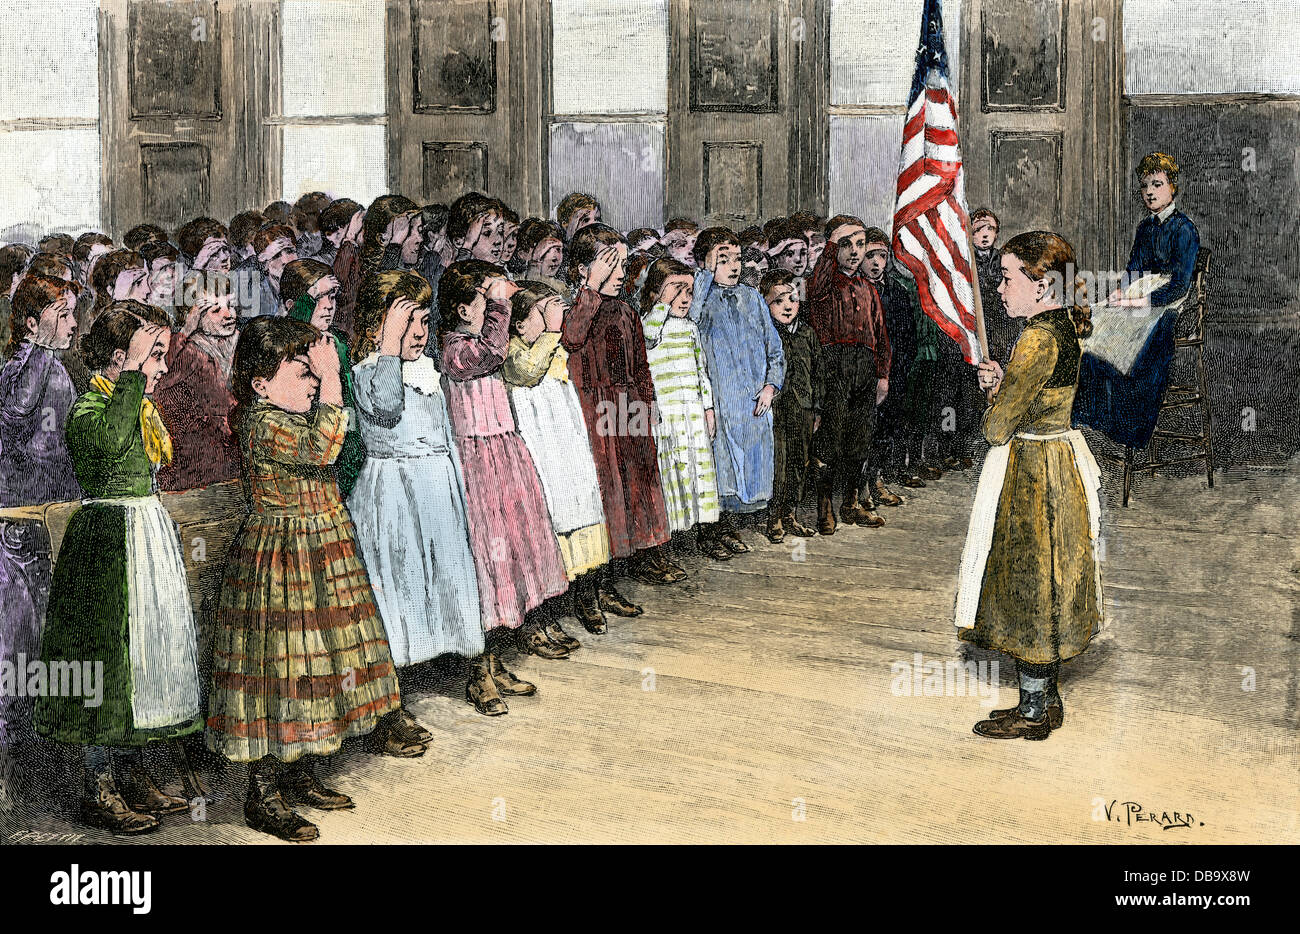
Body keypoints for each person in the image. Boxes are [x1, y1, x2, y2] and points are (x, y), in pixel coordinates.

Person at [207, 315, 416, 844]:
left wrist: (324, 389)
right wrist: (335, 384)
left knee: (325, 662)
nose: (314, 380)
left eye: (314, 371)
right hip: (281, 562)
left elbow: (333, 447)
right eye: (301, 371)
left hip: (324, 548)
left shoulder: (296, 415)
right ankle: (265, 792)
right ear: (259, 384)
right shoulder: (260, 421)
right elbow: (323, 449)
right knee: (283, 668)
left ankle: (302, 772)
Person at [34, 301, 202, 835]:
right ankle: (98, 786)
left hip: (145, 536)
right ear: (117, 359)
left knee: (147, 657)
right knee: (109, 666)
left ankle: (133, 775)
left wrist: (135, 380)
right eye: (151, 357)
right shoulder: (89, 410)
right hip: (105, 545)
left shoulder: (139, 410)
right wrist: (132, 377)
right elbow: (106, 445)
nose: (161, 368)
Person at [958, 231, 1102, 740]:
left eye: (1007, 277)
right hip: (1057, 457)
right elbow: (1036, 394)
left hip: (1032, 470)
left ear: (1041, 286)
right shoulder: (1063, 325)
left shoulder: (1036, 337)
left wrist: (992, 393)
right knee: (1050, 580)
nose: (998, 289)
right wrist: (1006, 382)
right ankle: (1044, 699)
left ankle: (1035, 710)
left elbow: (999, 427)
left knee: (1030, 585)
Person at [347, 271, 491, 715]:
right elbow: (387, 409)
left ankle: (474, 666)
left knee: (449, 572)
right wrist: (389, 346)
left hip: (435, 484)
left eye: (424, 321)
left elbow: (444, 432)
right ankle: (394, 692)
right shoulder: (369, 372)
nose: (420, 333)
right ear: (378, 327)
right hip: (392, 491)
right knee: (401, 579)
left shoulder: (428, 370)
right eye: (407, 323)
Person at [438, 260, 572, 693]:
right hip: (476, 461)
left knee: (518, 547)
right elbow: (490, 354)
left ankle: (499, 658)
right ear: (462, 310)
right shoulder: (452, 348)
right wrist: (499, 303)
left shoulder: (479, 339)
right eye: (484, 304)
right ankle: (480, 673)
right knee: (488, 561)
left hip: (504, 449)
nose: (497, 311)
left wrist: (497, 303)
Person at [562, 225, 677, 599]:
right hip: (596, 407)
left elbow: (641, 365)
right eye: (608, 266)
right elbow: (573, 338)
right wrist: (591, 288)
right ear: (583, 269)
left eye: (622, 266)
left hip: (629, 403)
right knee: (609, 484)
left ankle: (646, 552)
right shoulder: (577, 305)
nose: (619, 275)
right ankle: (606, 573)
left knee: (642, 476)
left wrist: (649, 402)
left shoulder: (627, 311)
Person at [0, 276, 83, 750]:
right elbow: (15, 413)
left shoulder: (57, 370)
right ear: (32, 323)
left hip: (54, 516)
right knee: (18, 642)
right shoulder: (18, 370)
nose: (73, 323)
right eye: (62, 314)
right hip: (19, 523)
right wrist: (41, 349)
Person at [503, 281, 611, 644]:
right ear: (519, 323)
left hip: (567, 437)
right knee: (555, 512)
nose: (557, 313)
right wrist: (553, 332)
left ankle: (590, 594)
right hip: (541, 443)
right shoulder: (514, 351)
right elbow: (527, 372)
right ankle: (552, 609)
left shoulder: (558, 346)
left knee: (584, 504)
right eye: (545, 308)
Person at [1073, 151, 1201, 452]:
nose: (1150, 192)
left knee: (1138, 345)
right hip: (1139, 298)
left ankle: (1129, 427)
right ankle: (1093, 417)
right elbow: (1133, 271)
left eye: (1157, 184)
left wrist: (1143, 301)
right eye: (1145, 186)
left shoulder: (1184, 230)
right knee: (1097, 323)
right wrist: (1122, 293)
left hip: (1167, 306)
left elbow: (1180, 285)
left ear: (1173, 187)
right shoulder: (1145, 229)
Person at [689, 227, 786, 551]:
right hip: (717, 401)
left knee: (743, 471)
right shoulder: (699, 301)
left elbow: (774, 349)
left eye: (737, 259)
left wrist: (770, 387)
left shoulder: (752, 298)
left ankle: (728, 527)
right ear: (704, 264)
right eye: (722, 260)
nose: (733, 266)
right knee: (716, 467)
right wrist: (703, 277)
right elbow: (691, 322)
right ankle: (709, 534)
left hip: (750, 402)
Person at [806, 214, 890, 533]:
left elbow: (880, 335)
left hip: (864, 369)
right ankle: (824, 507)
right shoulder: (823, 284)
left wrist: (882, 375)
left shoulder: (868, 288)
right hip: (833, 368)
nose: (855, 251)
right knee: (830, 439)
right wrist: (832, 244)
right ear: (832, 248)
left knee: (860, 438)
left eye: (860, 244)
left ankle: (851, 503)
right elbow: (817, 283)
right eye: (846, 244)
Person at [640, 258, 726, 561]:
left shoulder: (690, 328)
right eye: (676, 290)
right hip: (667, 416)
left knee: (700, 473)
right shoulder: (649, 325)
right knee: (672, 474)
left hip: (692, 413)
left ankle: (707, 534)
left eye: (689, 291)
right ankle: (670, 542)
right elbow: (648, 335)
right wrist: (662, 305)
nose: (685, 298)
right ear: (657, 294)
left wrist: (708, 408)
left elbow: (702, 372)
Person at [280, 259, 366, 498]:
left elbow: (348, 398)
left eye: (332, 297)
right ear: (291, 304)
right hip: (310, 457)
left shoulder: (336, 340)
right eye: (318, 298)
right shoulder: (285, 347)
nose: (328, 306)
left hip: (346, 441)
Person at [154, 273, 240, 491]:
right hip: (207, 464)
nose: (229, 315)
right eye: (216, 310)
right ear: (195, 317)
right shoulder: (192, 352)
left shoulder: (240, 341)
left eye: (231, 305)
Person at [761, 269, 821, 542]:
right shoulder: (766, 335)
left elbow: (818, 373)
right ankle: (773, 517)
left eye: (792, 299)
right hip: (777, 411)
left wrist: (817, 408)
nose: (787, 306)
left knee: (800, 461)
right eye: (778, 301)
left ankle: (790, 514)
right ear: (764, 304)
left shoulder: (807, 333)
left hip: (804, 409)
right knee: (779, 463)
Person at [863, 228, 922, 495]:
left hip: (894, 373)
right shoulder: (856, 291)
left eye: (882, 256)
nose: (876, 263)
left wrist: (899, 370)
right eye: (870, 256)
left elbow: (908, 336)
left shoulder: (897, 292)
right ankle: (858, 487)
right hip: (865, 375)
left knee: (887, 427)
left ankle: (877, 479)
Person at [971, 209, 1017, 367]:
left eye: (990, 228)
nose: (985, 235)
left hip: (1001, 324)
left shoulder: (1004, 259)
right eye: (978, 229)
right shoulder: (967, 261)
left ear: (996, 233)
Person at [250, 225, 299, 320]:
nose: (286, 260)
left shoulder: (306, 288)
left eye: (290, 251)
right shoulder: (258, 299)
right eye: (276, 256)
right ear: (264, 264)